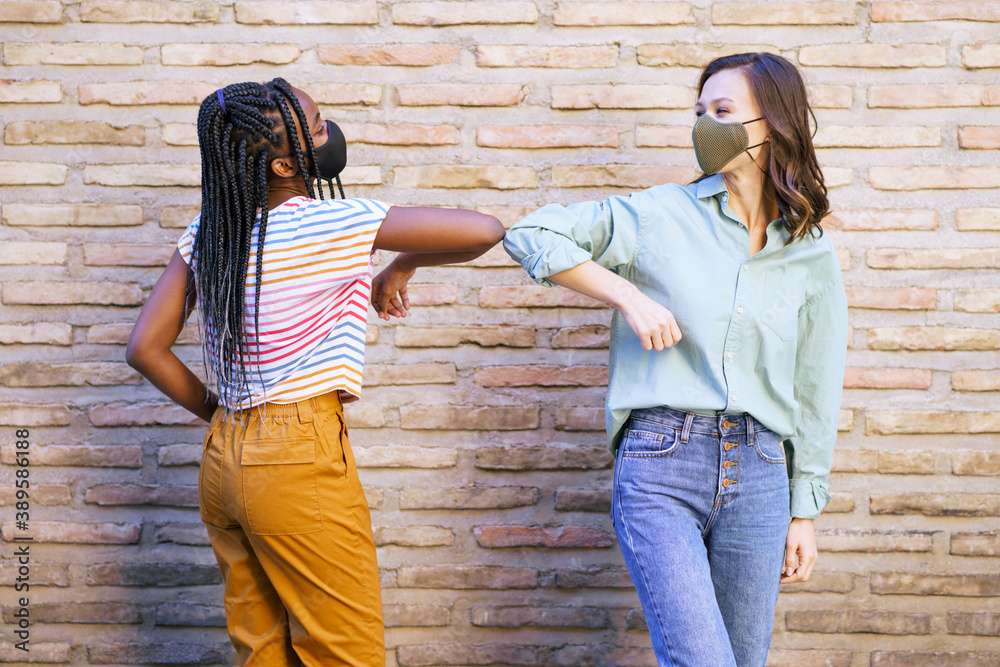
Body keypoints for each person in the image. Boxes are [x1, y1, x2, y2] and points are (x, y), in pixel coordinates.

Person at [126, 77, 504, 666]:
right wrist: (400, 262)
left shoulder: (210, 233)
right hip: (296, 457)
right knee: (341, 654)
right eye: (320, 126)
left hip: (223, 459)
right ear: (282, 165)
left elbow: (145, 348)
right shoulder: (332, 225)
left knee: (262, 650)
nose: (330, 133)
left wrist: (221, 414)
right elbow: (484, 230)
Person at [504, 53, 847, 666]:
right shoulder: (660, 213)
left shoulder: (808, 247)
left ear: (774, 125)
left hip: (764, 470)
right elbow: (529, 234)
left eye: (723, 112)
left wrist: (805, 510)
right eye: (699, 111)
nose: (704, 125)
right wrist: (627, 295)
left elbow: (816, 385)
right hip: (663, 459)